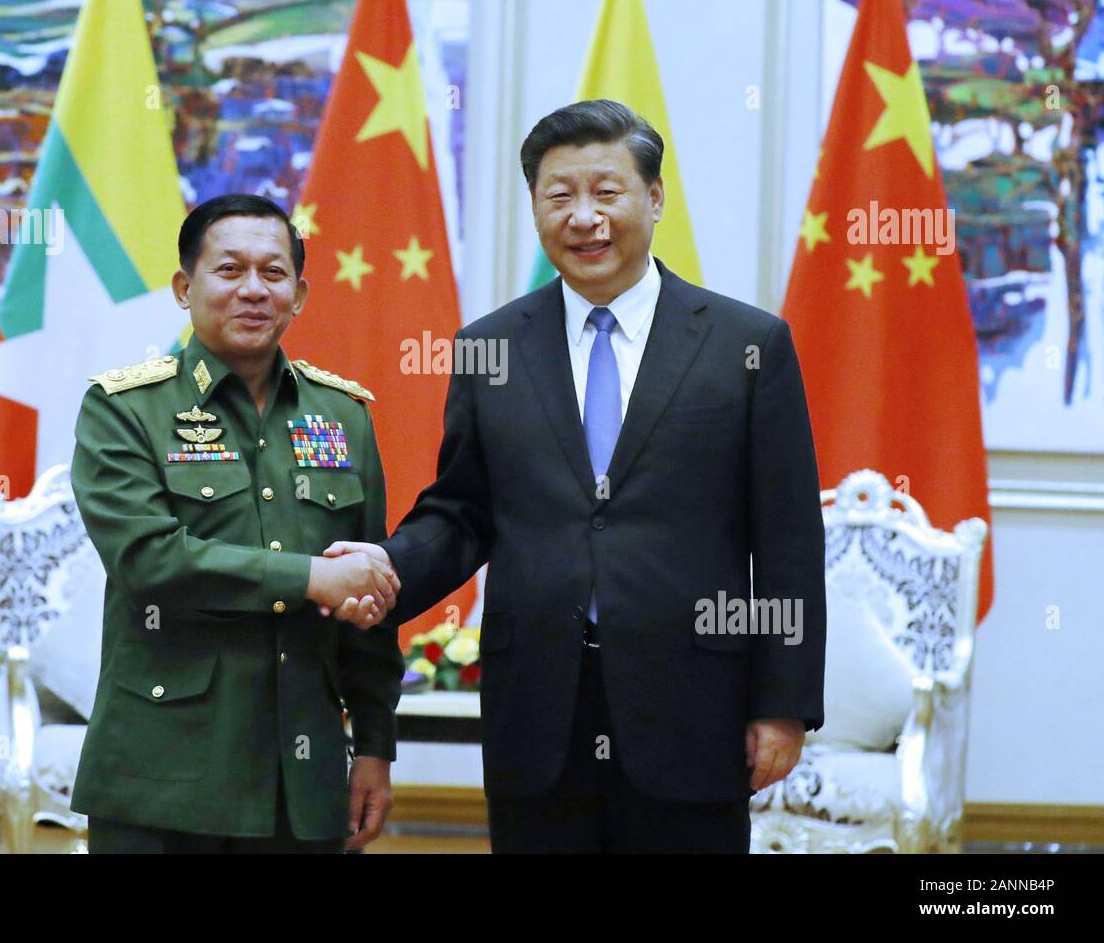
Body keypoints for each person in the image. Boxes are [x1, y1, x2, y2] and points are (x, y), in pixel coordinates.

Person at [327, 100, 827, 854]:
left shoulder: (745, 345)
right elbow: (462, 513)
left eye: (607, 191)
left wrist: (783, 705)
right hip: (538, 706)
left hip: (692, 704)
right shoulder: (489, 346)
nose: (584, 217)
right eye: (559, 196)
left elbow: (786, 538)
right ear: (536, 207)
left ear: (654, 199)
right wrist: (385, 569)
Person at [69, 193, 403, 854]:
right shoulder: (125, 410)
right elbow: (148, 560)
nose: (253, 290)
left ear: (300, 294)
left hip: (299, 777)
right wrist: (312, 577)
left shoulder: (343, 416)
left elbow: (367, 597)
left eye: (274, 273)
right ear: (183, 287)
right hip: (163, 771)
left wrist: (373, 746)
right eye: (229, 270)